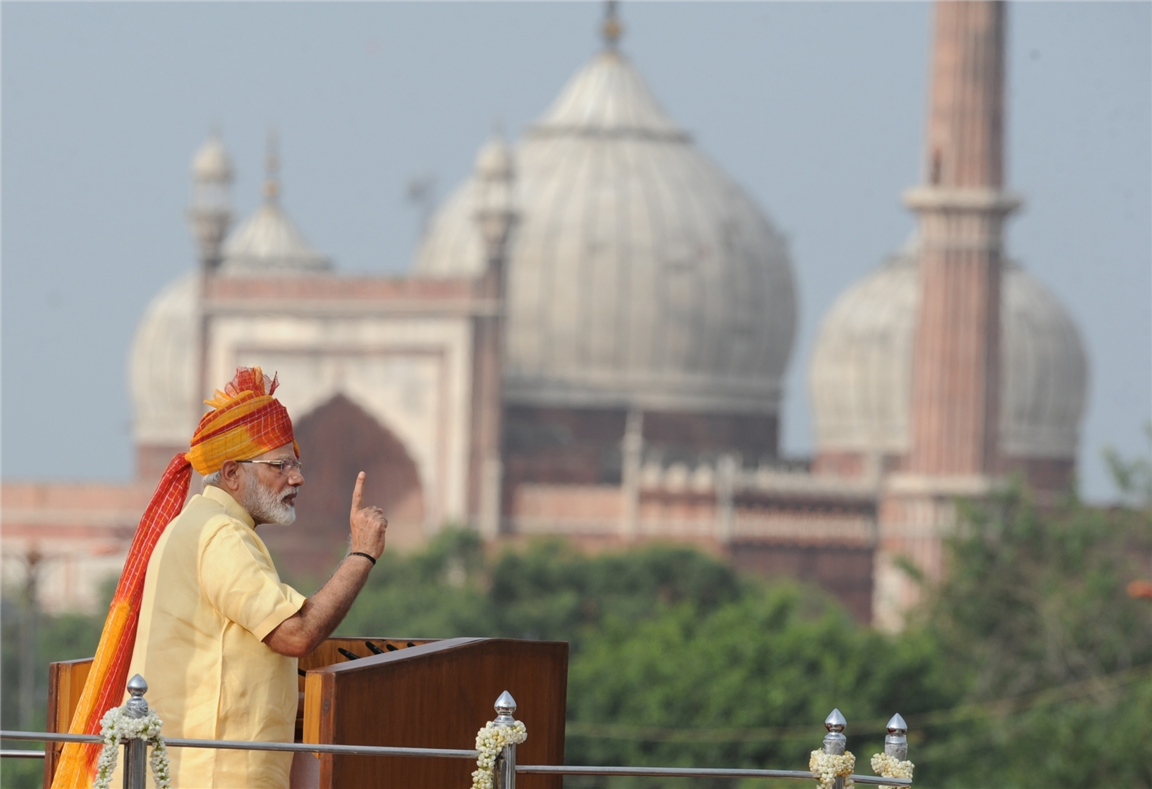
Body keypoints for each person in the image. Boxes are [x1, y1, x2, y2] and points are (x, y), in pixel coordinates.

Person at [118, 367, 387, 788]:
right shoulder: (220, 534)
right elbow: (295, 634)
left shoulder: (200, 525)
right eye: (280, 465)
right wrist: (361, 554)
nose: (296, 478)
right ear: (231, 474)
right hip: (208, 776)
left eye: (295, 464)